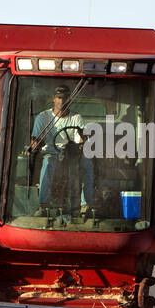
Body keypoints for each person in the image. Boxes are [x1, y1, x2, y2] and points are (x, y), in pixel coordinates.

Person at [29, 85, 94, 216]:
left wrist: (82, 142)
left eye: (64, 98)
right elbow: (35, 139)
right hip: (51, 153)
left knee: (87, 164)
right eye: (59, 98)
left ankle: (85, 203)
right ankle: (43, 204)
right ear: (53, 99)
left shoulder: (76, 118)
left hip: (72, 152)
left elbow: (82, 139)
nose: (61, 101)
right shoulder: (43, 117)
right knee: (47, 164)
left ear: (69, 100)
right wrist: (36, 143)